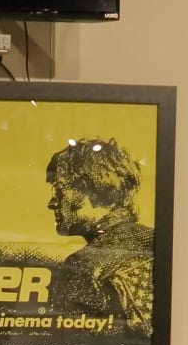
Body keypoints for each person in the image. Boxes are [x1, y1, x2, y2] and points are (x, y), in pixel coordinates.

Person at [43, 138, 155, 334]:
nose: (52, 203)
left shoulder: (83, 265)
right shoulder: (156, 241)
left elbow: (67, 340)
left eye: (60, 190)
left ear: (95, 189)